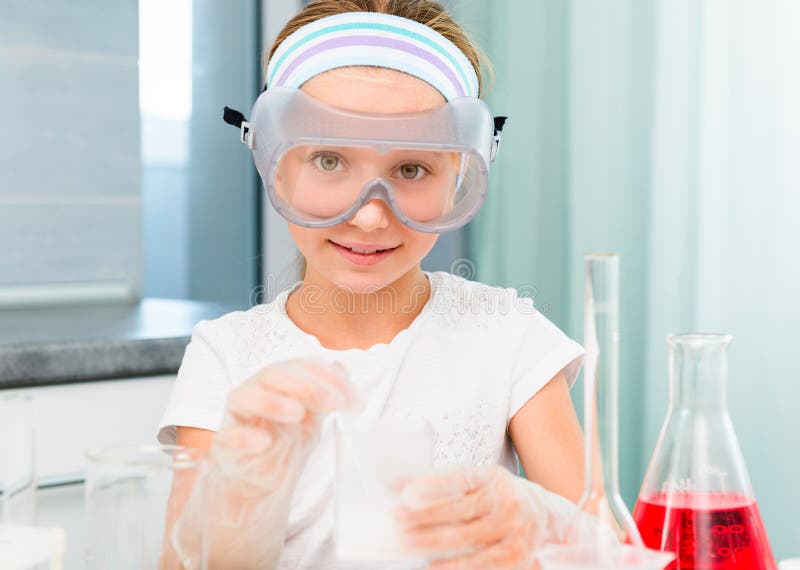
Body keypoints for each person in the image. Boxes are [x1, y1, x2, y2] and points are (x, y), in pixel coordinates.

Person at [158, 1, 590, 568]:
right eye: (330, 160)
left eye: (411, 170)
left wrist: (543, 530)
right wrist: (246, 484)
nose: (368, 217)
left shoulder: (508, 338)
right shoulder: (227, 357)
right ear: (274, 162)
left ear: (459, 174)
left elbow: (602, 542)